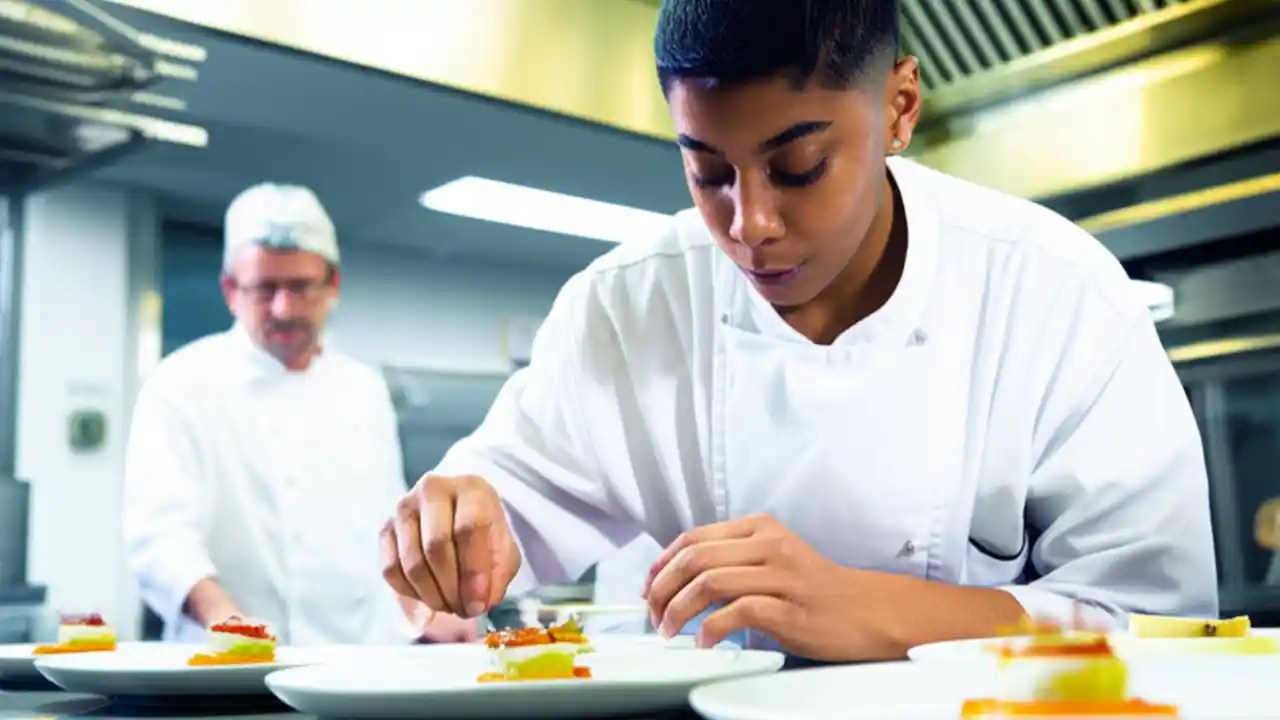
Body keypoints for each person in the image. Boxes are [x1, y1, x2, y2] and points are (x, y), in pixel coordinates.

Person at [381, 0, 1217, 661]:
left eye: (799, 168)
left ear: (899, 106)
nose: (750, 224)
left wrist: (873, 610)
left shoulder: (1053, 292)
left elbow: (1161, 628)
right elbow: (507, 507)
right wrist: (458, 526)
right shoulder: (628, 304)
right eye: (707, 172)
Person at [124, 183, 469, 645]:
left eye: (301, 287)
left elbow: (385, 527)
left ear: (333, 285)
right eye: (264, 290)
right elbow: (159, 537)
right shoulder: (180, 384)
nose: (284, 309)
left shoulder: (362, 388)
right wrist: (228, 622)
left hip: (358, 662)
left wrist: (425, 611)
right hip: (229, 670)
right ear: (230, 290)